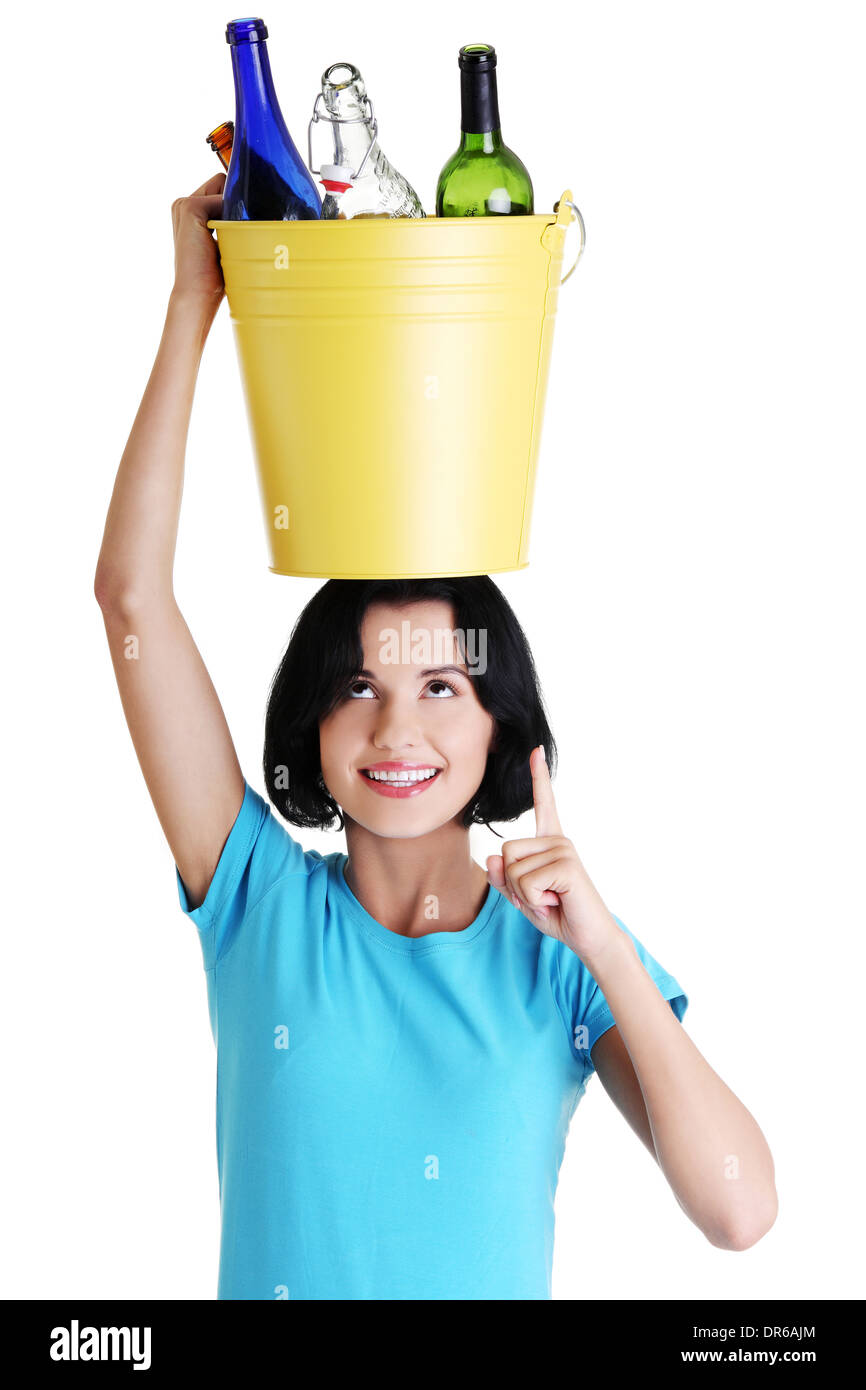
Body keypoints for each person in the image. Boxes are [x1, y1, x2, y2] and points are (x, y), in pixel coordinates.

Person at [94, 174, 778, 1300]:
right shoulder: (259, 899)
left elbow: (739, 1210)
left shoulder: (561, 959)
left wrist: (602, 943)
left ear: (502, 720)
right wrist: (190, 303)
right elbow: (130, 598)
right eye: (357, 686)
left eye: (442, 688)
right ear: (311, 723)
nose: (396, 726)